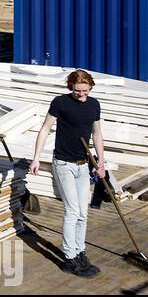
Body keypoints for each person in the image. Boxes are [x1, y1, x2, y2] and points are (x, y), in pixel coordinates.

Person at [30, 70, 105, 277]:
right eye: (77, 91)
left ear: (90, 88)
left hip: (83, 165)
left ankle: (80, 252)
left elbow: (97, 134)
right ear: (70, 86)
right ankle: (69, 258)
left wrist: (101, 162)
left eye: (85, 91)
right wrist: (36, 158)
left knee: (83, 212)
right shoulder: (60, 103)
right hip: (63, 163)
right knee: (72, 211)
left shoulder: (93, 104)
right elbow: (45, 129)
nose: (81, 95)